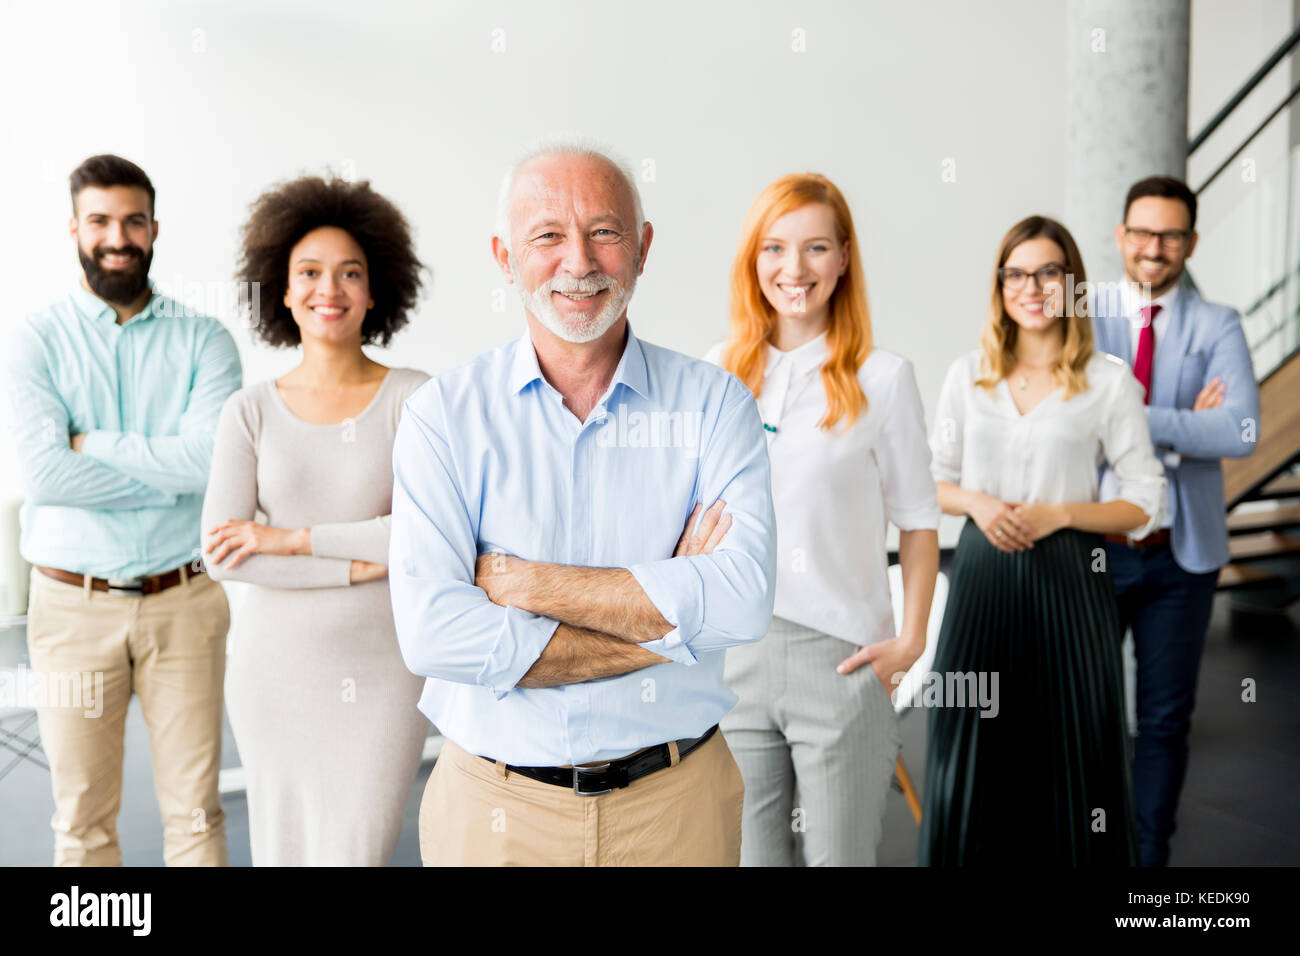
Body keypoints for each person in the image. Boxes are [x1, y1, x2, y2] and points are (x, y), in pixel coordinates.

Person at [390, 137, 776, 867]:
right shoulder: (442, 416)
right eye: (548, 236)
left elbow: (744, 601)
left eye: (604, 231)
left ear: (642, 247)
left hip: (677, 807)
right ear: (504, 257)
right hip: (495, 810)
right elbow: (436, 637)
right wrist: (664, 623)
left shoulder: (717, 404)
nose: (580, 261)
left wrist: (524, 582)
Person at [5, 154, 241, 865]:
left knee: (196, 814)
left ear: (154, 228)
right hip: (72, 607)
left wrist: (94, 445)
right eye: (101, 220)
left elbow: (211, 464)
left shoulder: (206, 340)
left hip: (185, 599)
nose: (118, 236)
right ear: (75, 228)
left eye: (133, 221)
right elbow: (47, 475)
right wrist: (168, 469)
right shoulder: (36, 339)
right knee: (81, 820)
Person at [704, 173, 939, 866]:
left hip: (841, 658)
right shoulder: (720, 372)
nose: (793, 269)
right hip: (736, 656)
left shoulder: (883, 377)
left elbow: (920, 522)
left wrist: (911, 639)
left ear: (842, 259)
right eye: (774, 248)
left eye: (814, 249)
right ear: (754, 261)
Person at [920, 215, 1166, 866]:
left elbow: (1145, 499)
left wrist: (1061, 513)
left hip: (1071, 579)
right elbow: (927, 483)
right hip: (981, 578)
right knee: (968, 748)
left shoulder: (1108, 380)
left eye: (1048, 272)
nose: (1032, 286)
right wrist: (976, 501)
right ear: (1000, 286)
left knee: (1073, 750)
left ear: (1071, 284)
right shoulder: (967, 375)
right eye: (1017, 273)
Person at [200, 175, 429, 865]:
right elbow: (224, 554)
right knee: (282, 852)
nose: (329, 289)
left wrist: (291, 539)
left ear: (374, 290)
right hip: (274, 671)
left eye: (349, 273)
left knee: (357, 851)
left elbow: (425, 539)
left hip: (383, 672)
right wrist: (361, 562)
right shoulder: (249, 410)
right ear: (283, 289)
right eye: (310, 272)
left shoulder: (414, 399)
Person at [1094, 175, 1259, 867]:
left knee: (1162, 721)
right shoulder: (1087, 312)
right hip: (1095, 549)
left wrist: (1121, 416)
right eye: (1141, 233)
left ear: (1190, 241)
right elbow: (1063, 421)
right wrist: (1189, 421)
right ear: (1120, 236)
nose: (1152, 248)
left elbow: (1242, 428)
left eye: (1168, 235)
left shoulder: (1217, 323)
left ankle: (1148, 864)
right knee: (1088, 715)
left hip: (1179, 556)